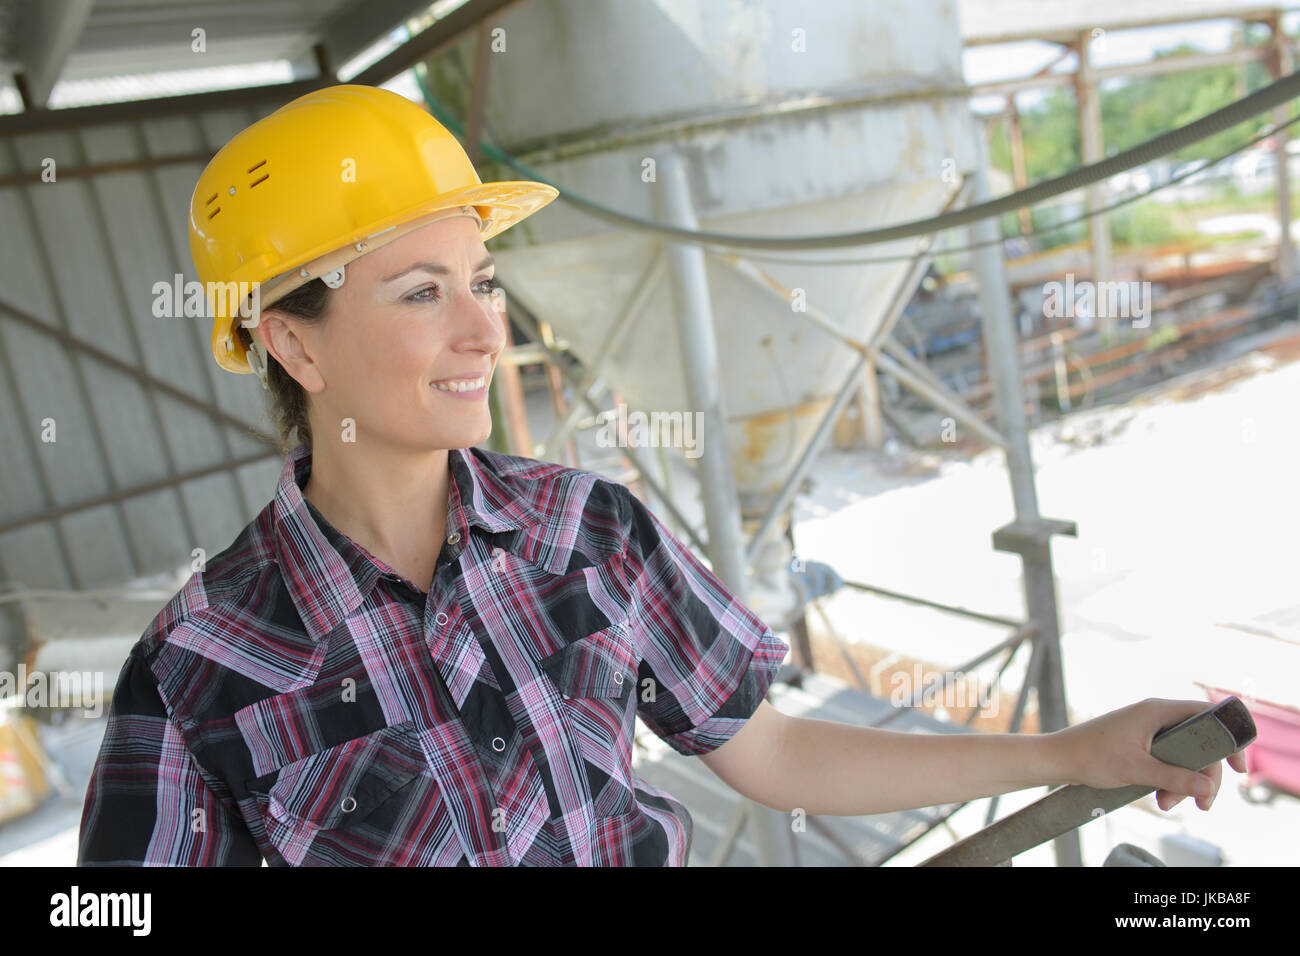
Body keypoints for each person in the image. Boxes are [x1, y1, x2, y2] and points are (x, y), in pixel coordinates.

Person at [77, 85, 1243, 867]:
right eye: (420, 291)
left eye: (481, 279)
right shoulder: (198, 666)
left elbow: (771, 750)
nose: (485, 329)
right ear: (295, 342)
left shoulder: (590, 533)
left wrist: (1070, 750)